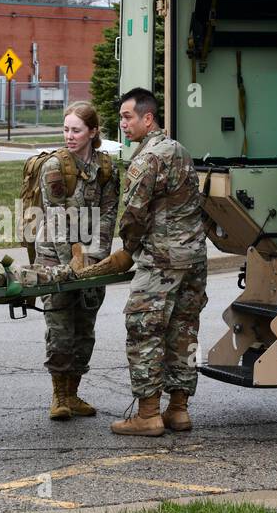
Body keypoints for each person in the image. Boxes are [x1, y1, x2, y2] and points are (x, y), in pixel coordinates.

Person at [109, 87, 208, 437]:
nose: (122, 123)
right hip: (194, 256)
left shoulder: (146, 158)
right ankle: (178, 410)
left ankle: (148, 415)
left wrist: (128, 249)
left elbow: (133, 215)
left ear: (147, 118)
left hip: (161, 260)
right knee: (184, 332)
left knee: (144, 331)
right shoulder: (180, 150)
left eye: (127, 117)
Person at [36, 101, 119, 420]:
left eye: (76, 130)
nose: (69, 135)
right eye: (66, 129)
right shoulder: (54, 167)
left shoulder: (107, 168)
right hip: (56, 257)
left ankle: (73, 393)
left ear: (93, 132)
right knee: (60, 326)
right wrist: (72, 265)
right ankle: (58, 394)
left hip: (92, 256)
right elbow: (56, 219)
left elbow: (109, 213)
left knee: (85, 327)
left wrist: (96, 257)